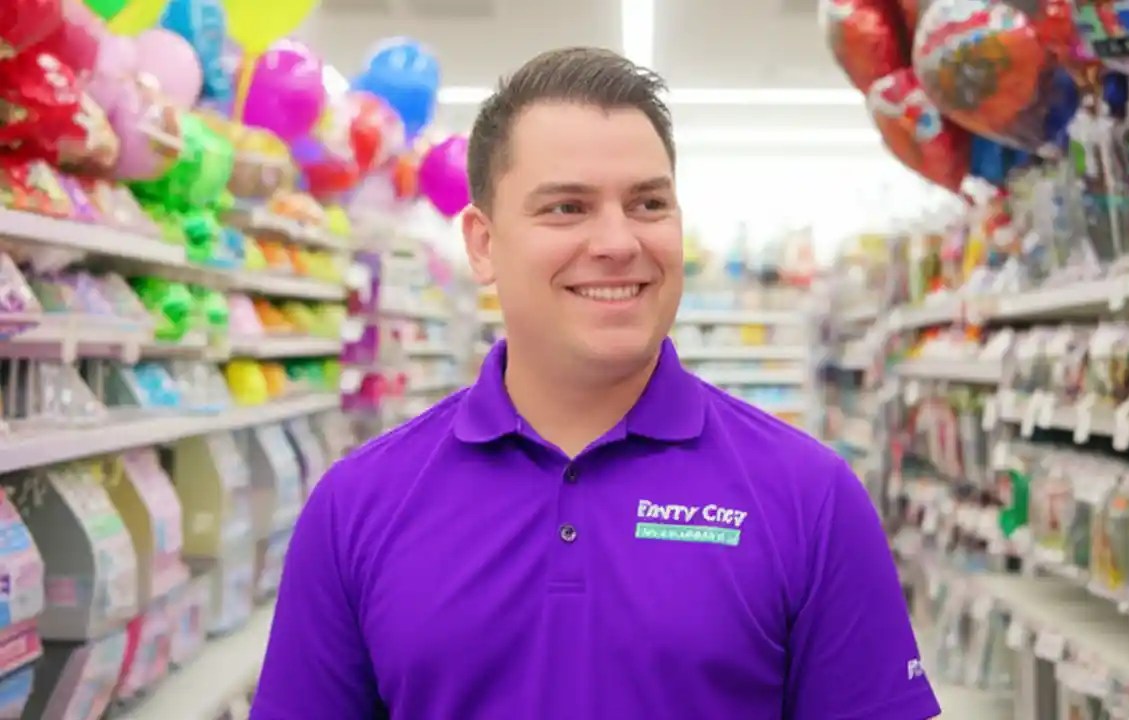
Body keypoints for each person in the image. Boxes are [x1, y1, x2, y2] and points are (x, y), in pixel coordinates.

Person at [251, 46, 940, 720]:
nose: (618, 241)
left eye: (647, 204)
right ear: (483, 244)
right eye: (567, 208)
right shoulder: (357, 507)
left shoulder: (810, 499)